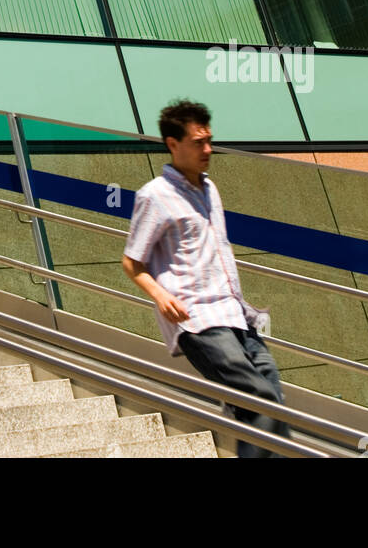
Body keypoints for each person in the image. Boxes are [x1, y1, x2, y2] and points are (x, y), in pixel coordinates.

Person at [121, 99, 291, 458]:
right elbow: (132, 262)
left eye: (209, 140)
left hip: (234, 315)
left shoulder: (210, 189)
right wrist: (159, 295)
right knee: (256, 398)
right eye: (198, 142)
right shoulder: (154, 196)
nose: (208, 149)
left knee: (272, 393)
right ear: (173, 144)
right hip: (197, 318)